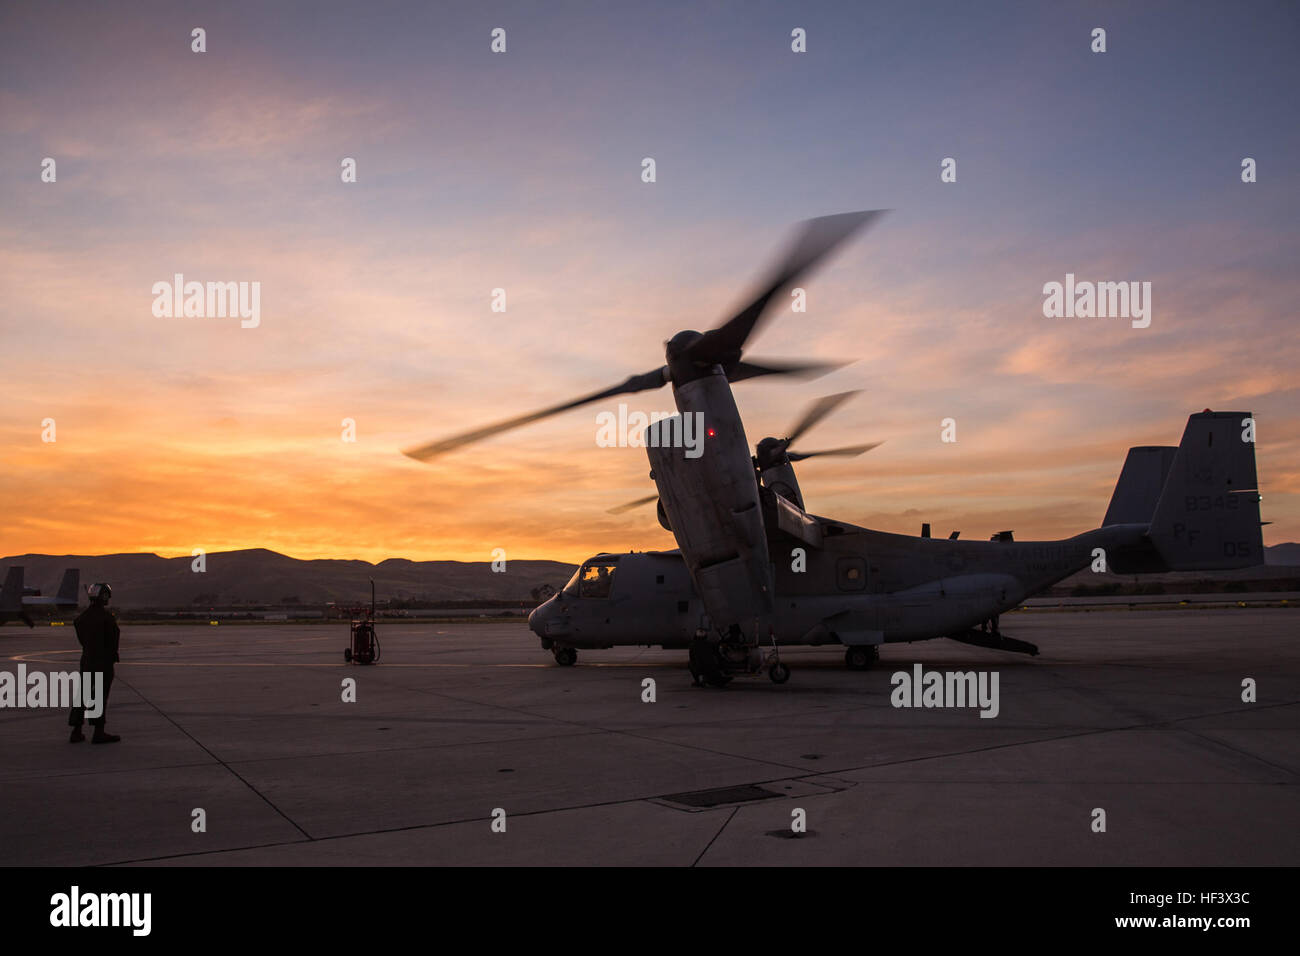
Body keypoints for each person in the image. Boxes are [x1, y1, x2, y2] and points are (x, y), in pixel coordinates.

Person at [68, 583, 121, 744]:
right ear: (103, 596)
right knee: (99, 696)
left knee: (82, 695)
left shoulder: (82, 618)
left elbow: (82, 639)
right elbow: (113, 640)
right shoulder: (106, 618)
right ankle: (98, 732)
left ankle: (76, 731)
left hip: (87, 660)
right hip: (103, 662)